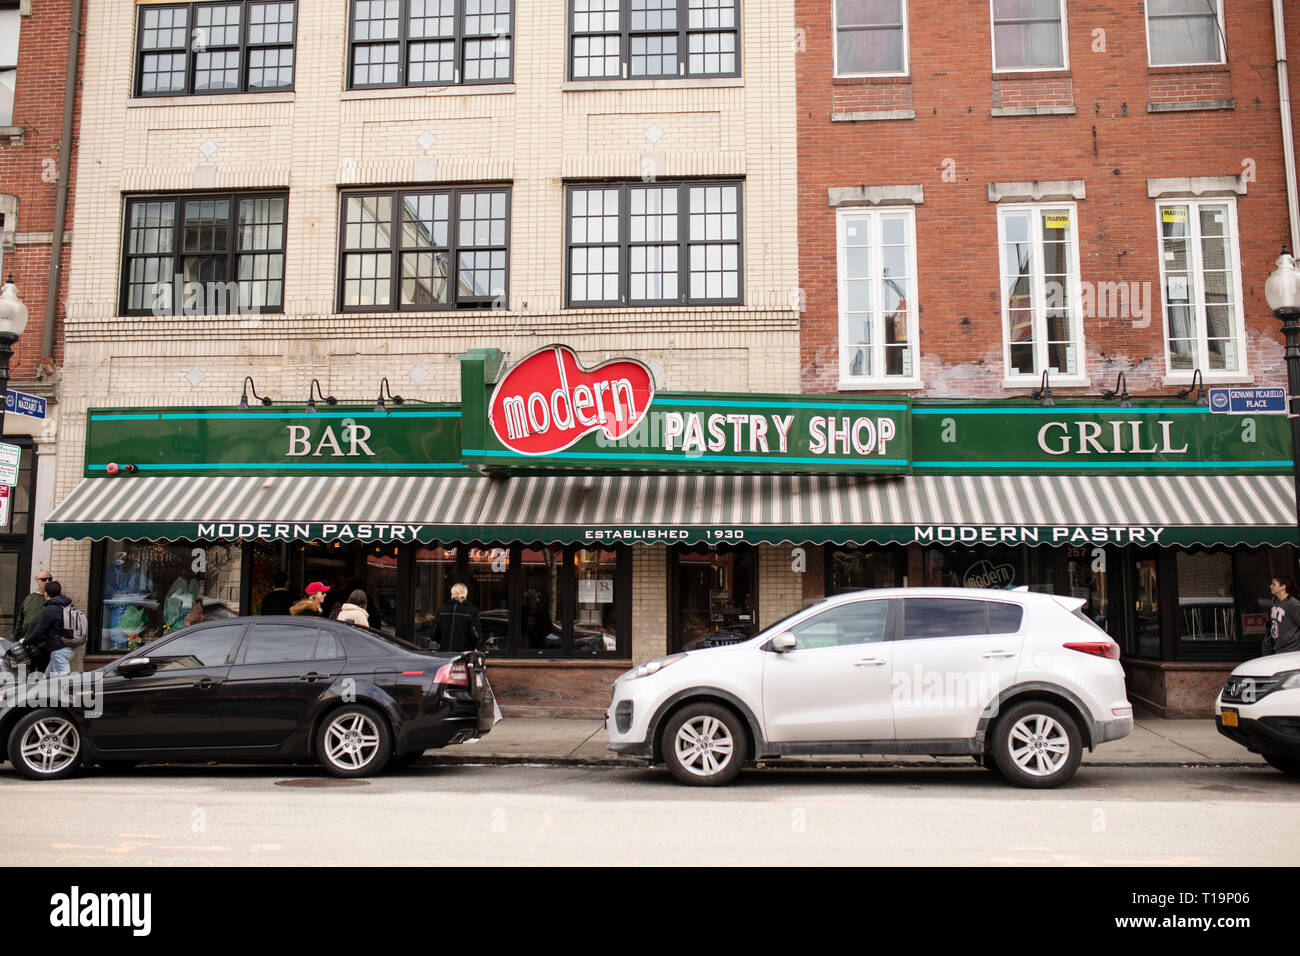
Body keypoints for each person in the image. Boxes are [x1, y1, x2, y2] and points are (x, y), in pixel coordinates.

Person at [22, 580, 74, 675]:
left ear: (46, 594)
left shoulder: (51, 609)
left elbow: (39, 630)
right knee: (46, 681)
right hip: (68, 647)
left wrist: (25, 641)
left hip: (59, 650)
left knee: (65, 681)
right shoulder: (68, 606)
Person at [430, 583, 484, 652]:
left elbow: (433, 634)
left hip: (444, 655)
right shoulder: (471, 611)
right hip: (463, 656)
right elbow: (477, 637)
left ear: (452, 594)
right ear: (465, 594)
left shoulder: (442, 610)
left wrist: (443, 641)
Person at [1265, 576, 1300, 655]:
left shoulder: (1292, 603)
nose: (1270, 586)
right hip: (1278, 649)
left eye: (1273, 584)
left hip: (1292, 650)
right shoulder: (1275, 602)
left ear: (1283, 587)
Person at [14, 571, 52, 644]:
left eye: (50, 579)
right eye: (44, 579)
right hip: (26, 639)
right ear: (38, 581)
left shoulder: (55, 599)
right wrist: (15, 639)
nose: (47, 581)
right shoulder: (29, 598)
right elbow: (20, 620)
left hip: (44, 643)